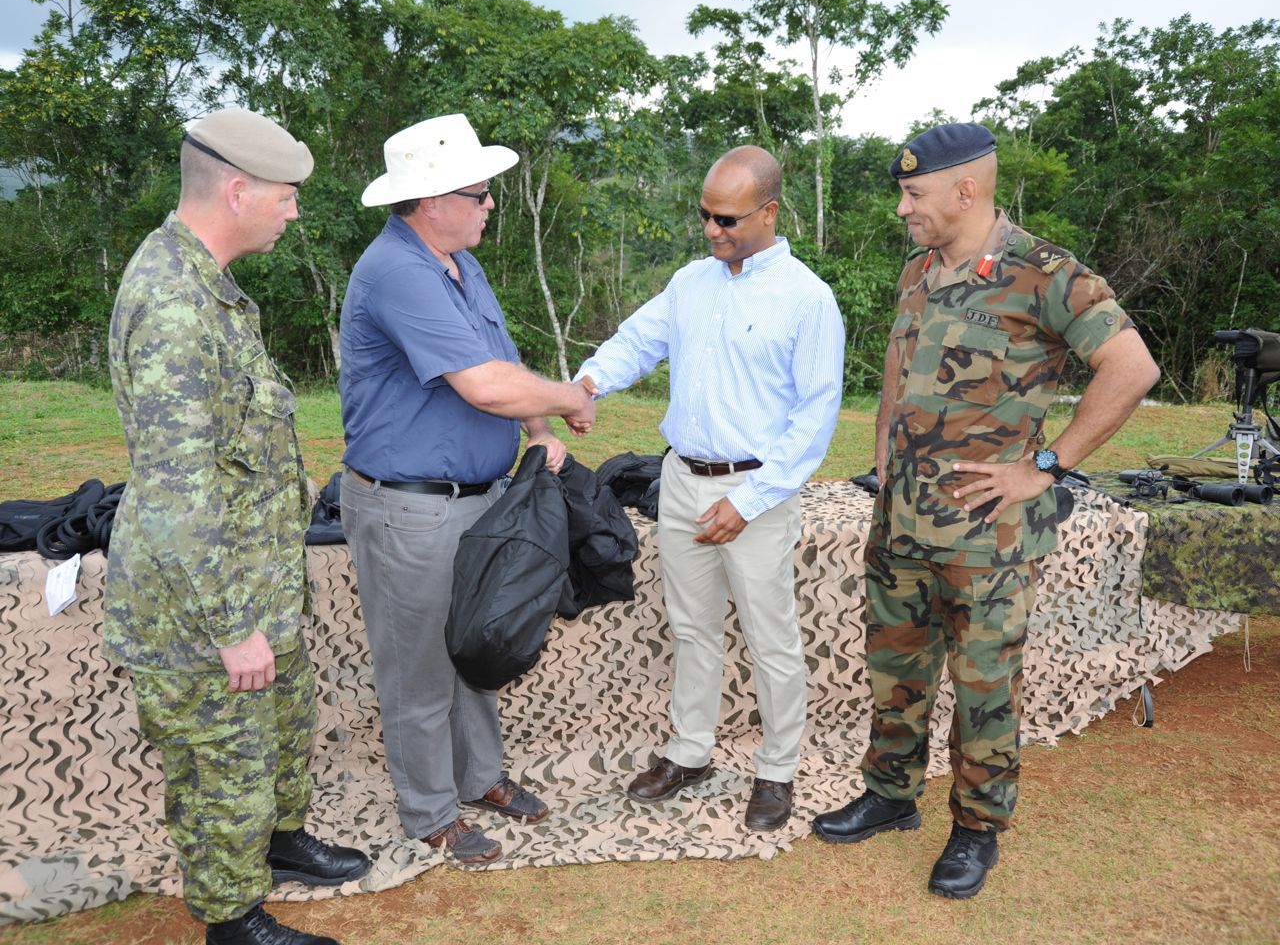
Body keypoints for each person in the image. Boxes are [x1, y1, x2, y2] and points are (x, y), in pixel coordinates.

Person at [811, 122, 1160, 898]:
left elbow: (1132, 367)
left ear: (965, 190)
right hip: (902, 520)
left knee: (982, 685)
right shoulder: (918, 270)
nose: (903, 208)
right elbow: (897, 376)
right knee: (894, 669)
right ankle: (889, 795)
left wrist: (1046, 466)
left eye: (914, 194)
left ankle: (976, 828)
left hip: (986, 538)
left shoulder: (1045, 274)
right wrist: (881, 466)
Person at [105, 108, 370, 945]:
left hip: (256, 577)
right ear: (238, 189)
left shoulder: (213, 287)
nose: (295, 212)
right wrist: (231, 627)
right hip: (202, 605)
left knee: (283, 734)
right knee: (224, 766)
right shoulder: (175, 306)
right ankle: (232, 917)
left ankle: (281, 845)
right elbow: (176, 495)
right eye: (287, 197)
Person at [338, 114, 597, 865]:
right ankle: (428, 812)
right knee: (417, 666)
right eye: (480, 194)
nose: (491, 206)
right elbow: (483, 386)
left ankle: (480, 777)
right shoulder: (397, 271)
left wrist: (543, 426)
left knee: (472, 646)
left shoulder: (458, 263)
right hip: (410, 506)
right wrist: (572, 399)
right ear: (430, 200)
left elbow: (501, 362)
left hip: (472, 499)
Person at [574, 145, 845, 831]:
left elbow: (815, 420)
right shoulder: (690, 282)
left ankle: (777, 769)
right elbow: (637, 342)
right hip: (682, 480)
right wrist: (587, 383)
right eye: (704, 216)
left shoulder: (807, 299)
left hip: (758, 489)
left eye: (726, 219)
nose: (712, 231)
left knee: (771, 638)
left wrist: (749, 502)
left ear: (770, 212)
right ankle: (690, 752)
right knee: (693, 630)